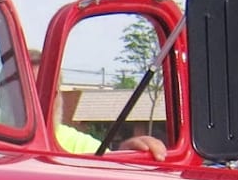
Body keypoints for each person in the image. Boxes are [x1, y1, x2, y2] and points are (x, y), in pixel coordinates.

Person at [31, 48, 166, 161]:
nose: (39, 100)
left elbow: (107, 168)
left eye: (50, 91)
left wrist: (126, 154)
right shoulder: (8, 147)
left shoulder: (78, 145)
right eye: (29, 92)